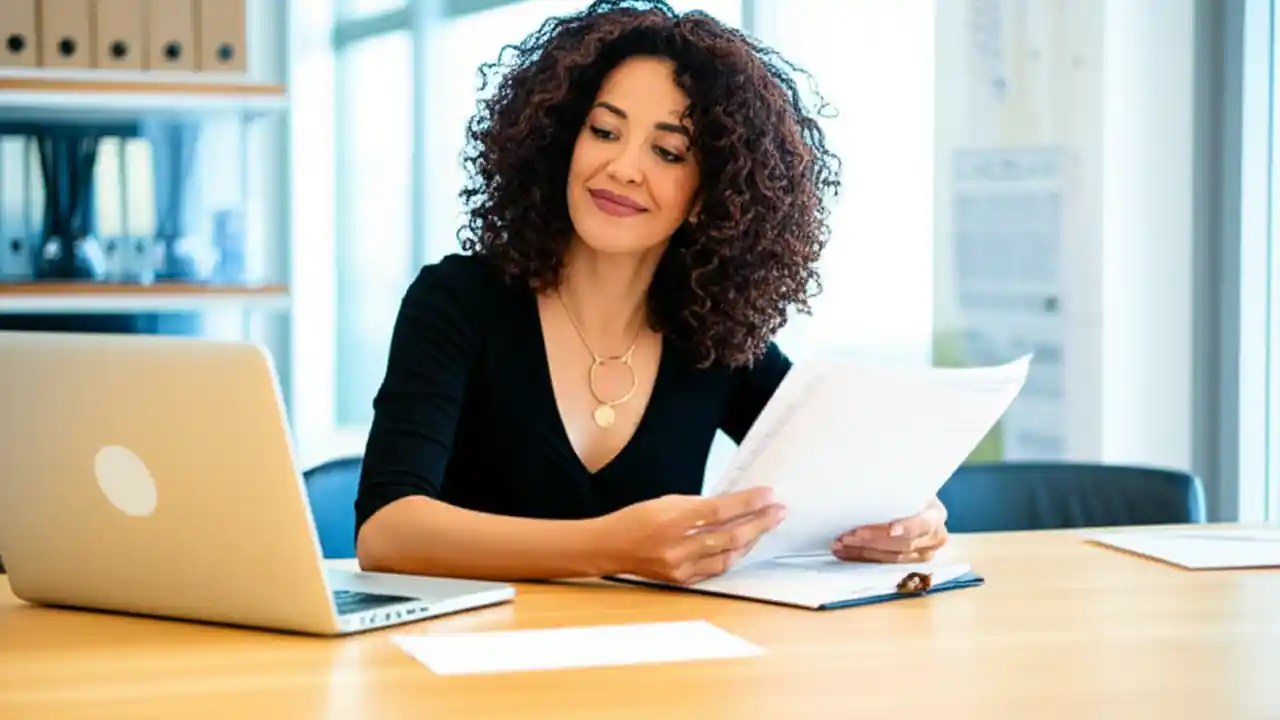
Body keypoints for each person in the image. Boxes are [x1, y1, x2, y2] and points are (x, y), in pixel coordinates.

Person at [354, 0, 948, 585]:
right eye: (604, 131)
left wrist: (914, 515)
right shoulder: (457, 300)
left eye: (667, 152)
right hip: (459, 666)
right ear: (564, 140)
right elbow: (387, 531)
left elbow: (852, 474)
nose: (623, 167)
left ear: (711, 194)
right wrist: (613, 546)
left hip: (655, 668)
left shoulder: (717, 336)